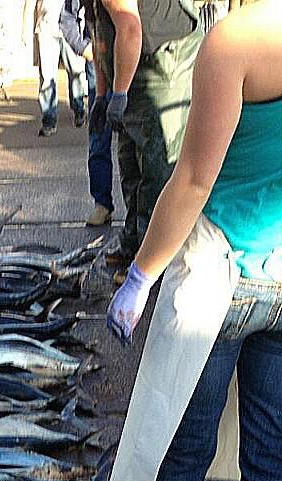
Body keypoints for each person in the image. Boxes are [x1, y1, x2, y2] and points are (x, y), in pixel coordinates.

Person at [105, 0, 282, 481]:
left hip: (219, 277)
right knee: (272, 459)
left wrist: (141, 275)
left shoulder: (234, 40)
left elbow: (194, 179)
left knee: (184, 437)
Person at [96, 0, 203, 279]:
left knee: (156, 167)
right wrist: (102, 93)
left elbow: (130, 27)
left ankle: (153, 262)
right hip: (133, 57)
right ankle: (134, 241)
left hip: (164, 57)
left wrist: (119, 94)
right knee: (129, 159)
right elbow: (100, 34)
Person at [60, 0, 114, 223]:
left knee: (137, 144)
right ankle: (102, 203)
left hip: (136, 58)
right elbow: (66, 17)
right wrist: (84, 48)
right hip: (99, 61)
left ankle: (141, 216)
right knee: (99, 137)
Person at [35, 0, 87, 136]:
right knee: (47, 75)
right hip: (47, 26)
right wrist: (28, 26)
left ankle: (79, 108)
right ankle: (49, 119)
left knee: (76, 71)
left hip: (71, 27)